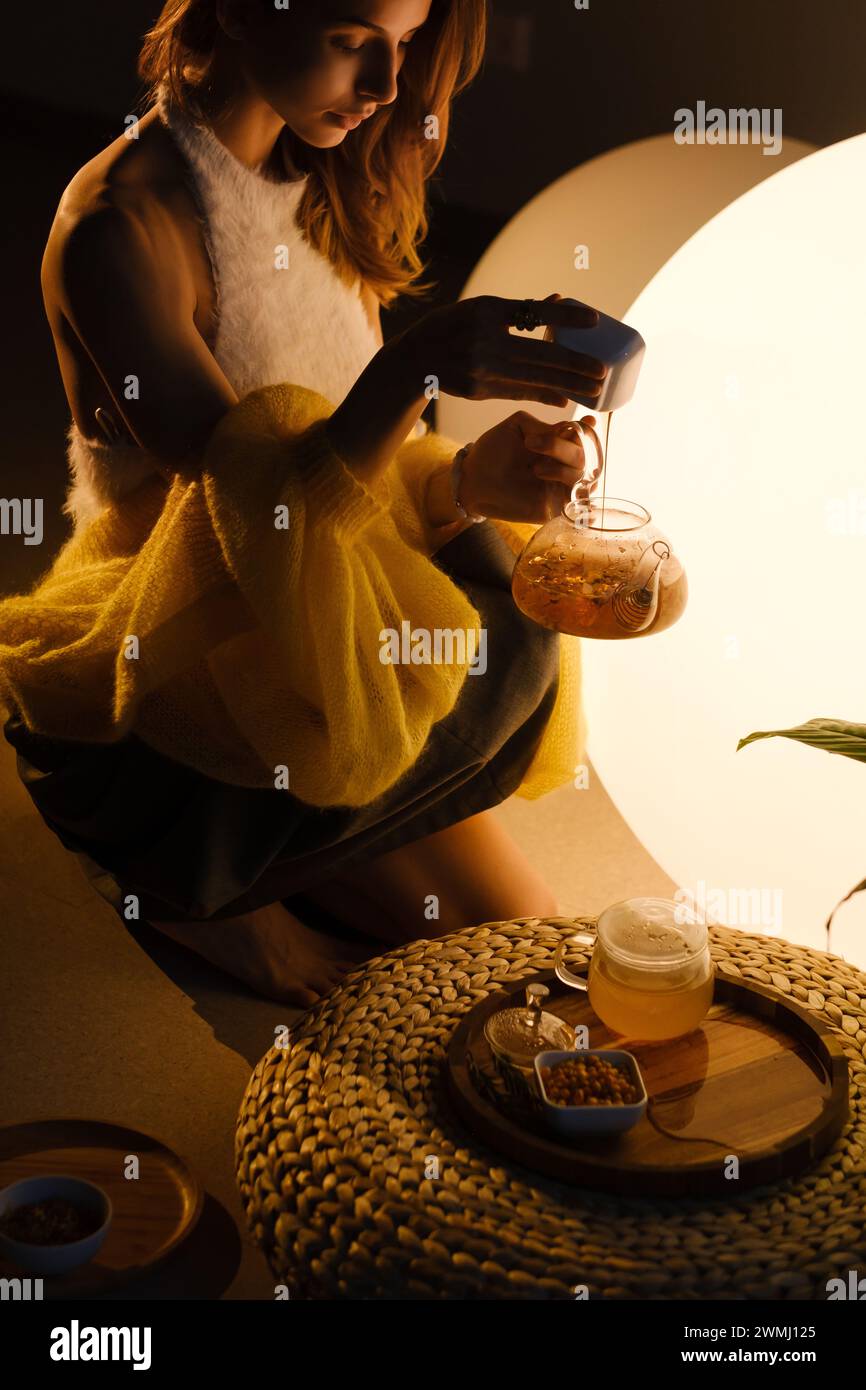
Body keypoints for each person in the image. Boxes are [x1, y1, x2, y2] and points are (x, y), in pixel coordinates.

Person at [1, 0, 607, 1007]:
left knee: (519, 946)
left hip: (318, 633)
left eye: (404, 47)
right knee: (488, 634)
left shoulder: (316, 176)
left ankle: (286, 845)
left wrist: (467, 482)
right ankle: (198, 886)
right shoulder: (118, 227)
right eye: (351, 42)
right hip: (188, 646)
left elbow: (353, 490)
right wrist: (406, 374)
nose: (382, 87)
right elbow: (253, 521)